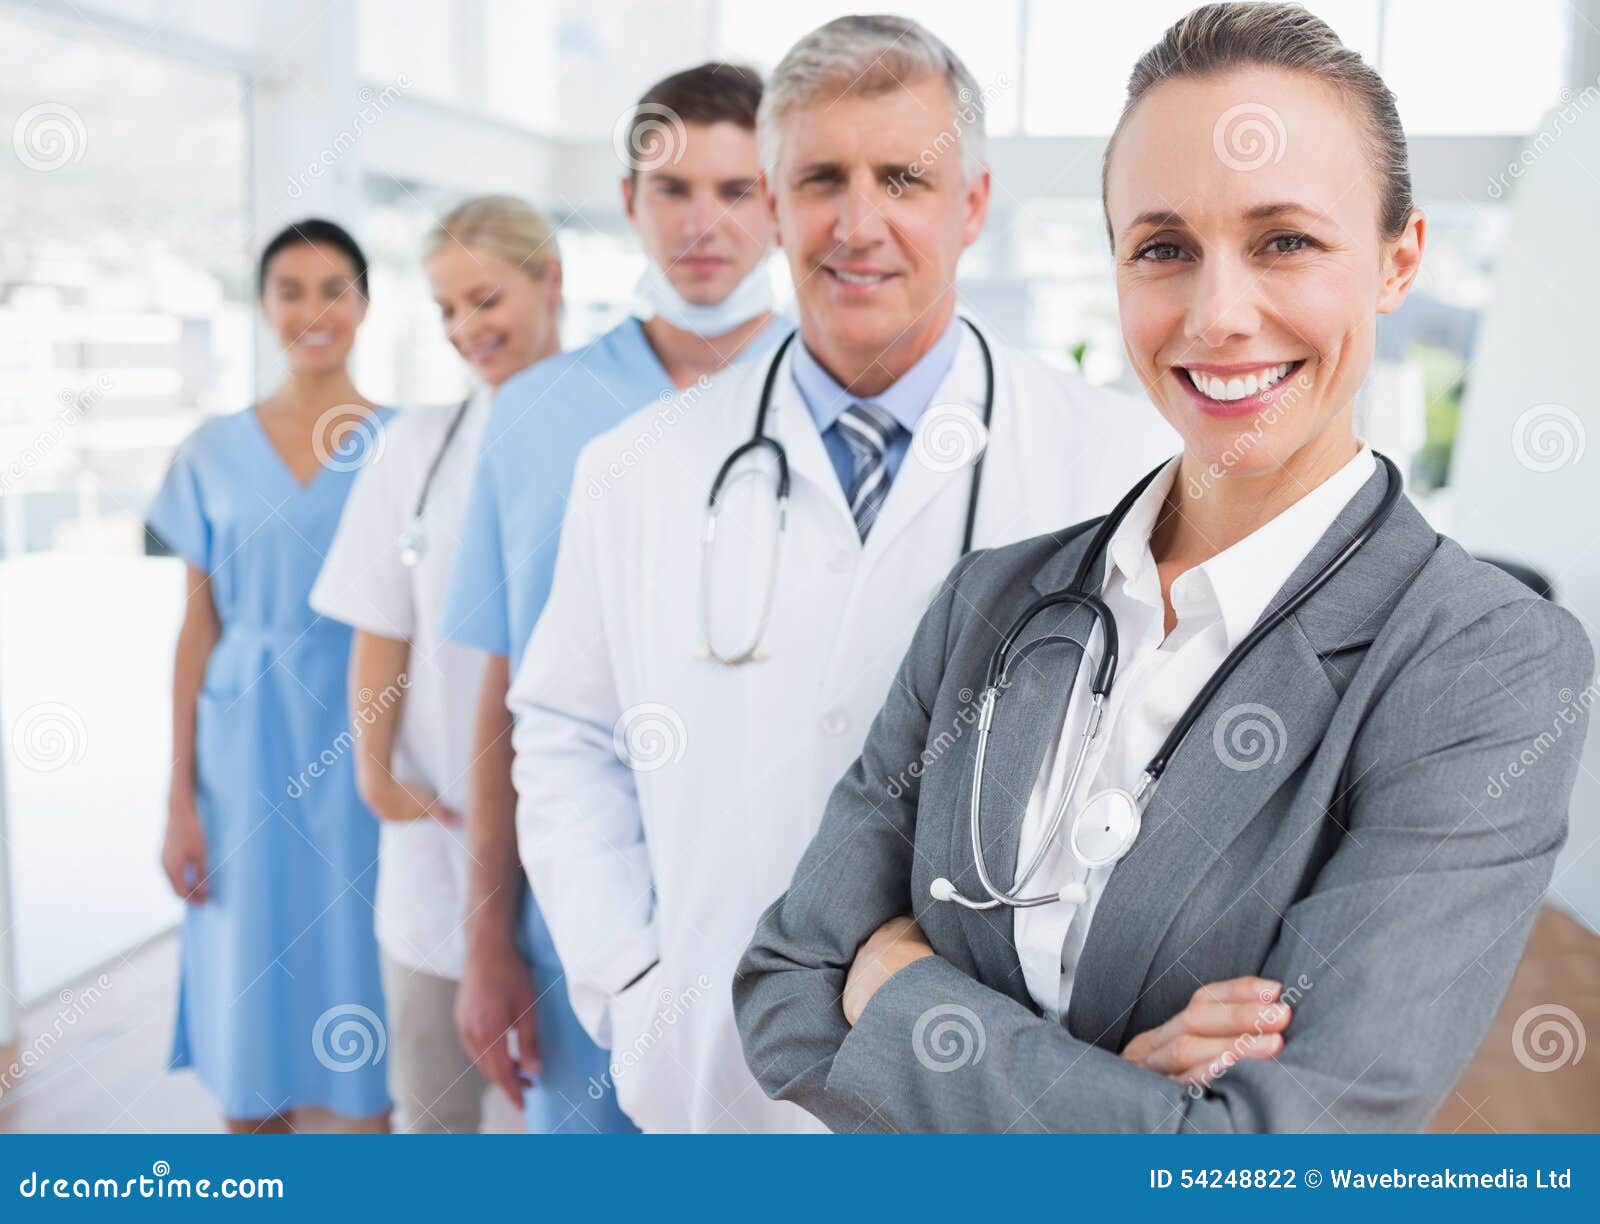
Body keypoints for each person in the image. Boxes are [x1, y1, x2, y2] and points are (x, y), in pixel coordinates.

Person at [733, 2, 1595, 1134]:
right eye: (1163, 249)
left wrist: (901, 993)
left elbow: (1285, 1161)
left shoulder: (1483, 663)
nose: (1217, 313)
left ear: (1398, 261)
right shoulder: (991, 603)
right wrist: (1119, 1094)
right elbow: (785, 991)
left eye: (1284, 240)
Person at [509, 15, 1174, 1134]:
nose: (858, 224)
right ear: (774, 201)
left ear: (970, 204)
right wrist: (630, 984)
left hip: (995, 1087)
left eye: (902, 177)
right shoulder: (634, 469)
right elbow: (565, 734)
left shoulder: (1118, 463)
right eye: (822, 177)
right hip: (714, 1081)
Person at [440, 63, 788, 1134]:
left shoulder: (842, 395)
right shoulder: (539, 411)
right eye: (670, 190)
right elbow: (508, 694)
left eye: (736, 189)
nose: (702, 223)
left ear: (780, 200)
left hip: (793, 927)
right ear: (628, 204)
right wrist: (487, 942)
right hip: (580, 924)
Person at [309, 197, 563, 1133]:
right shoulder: (415, 448)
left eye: (485, 299)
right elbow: (382, 617)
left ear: (553, 281)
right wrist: (376, 773)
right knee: (435, 1121)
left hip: (579, 847)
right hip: (439, 841)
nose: (466, 330)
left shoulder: (621, 440)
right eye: (447, 309)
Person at [150, 219, 391, 1133]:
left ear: (364, 304)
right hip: (242, 751)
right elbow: (194, 629)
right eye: (291, 290)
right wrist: (178, 798)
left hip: (366, 727)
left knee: (359, 971)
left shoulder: (405, 444)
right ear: (264, 307)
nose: (313, 310)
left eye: (334, 288)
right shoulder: (211, 450)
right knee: (248, 984)